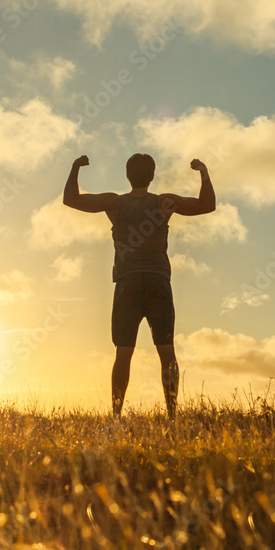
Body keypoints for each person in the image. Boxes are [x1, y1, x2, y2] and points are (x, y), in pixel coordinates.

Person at [63, 153, 214, 420]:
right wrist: (202, 170)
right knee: (167, 352)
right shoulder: (164, 202)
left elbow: (71, 200)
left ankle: (116, 417)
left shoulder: (114, 202)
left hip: (128, 284)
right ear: (153, 175)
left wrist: (76, 167)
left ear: (127, 174)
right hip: (157, 282)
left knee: (123, 353)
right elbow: (206, 204)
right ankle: (172, 417)